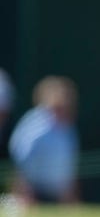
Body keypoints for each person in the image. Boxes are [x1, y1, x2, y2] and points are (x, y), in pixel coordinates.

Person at [8, 76, 81, 206]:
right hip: (34, 191)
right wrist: (25, 191)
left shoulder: (67, 126)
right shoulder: (37, 124)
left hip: (59, 193)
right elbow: (22, 158)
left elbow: (69, 163)